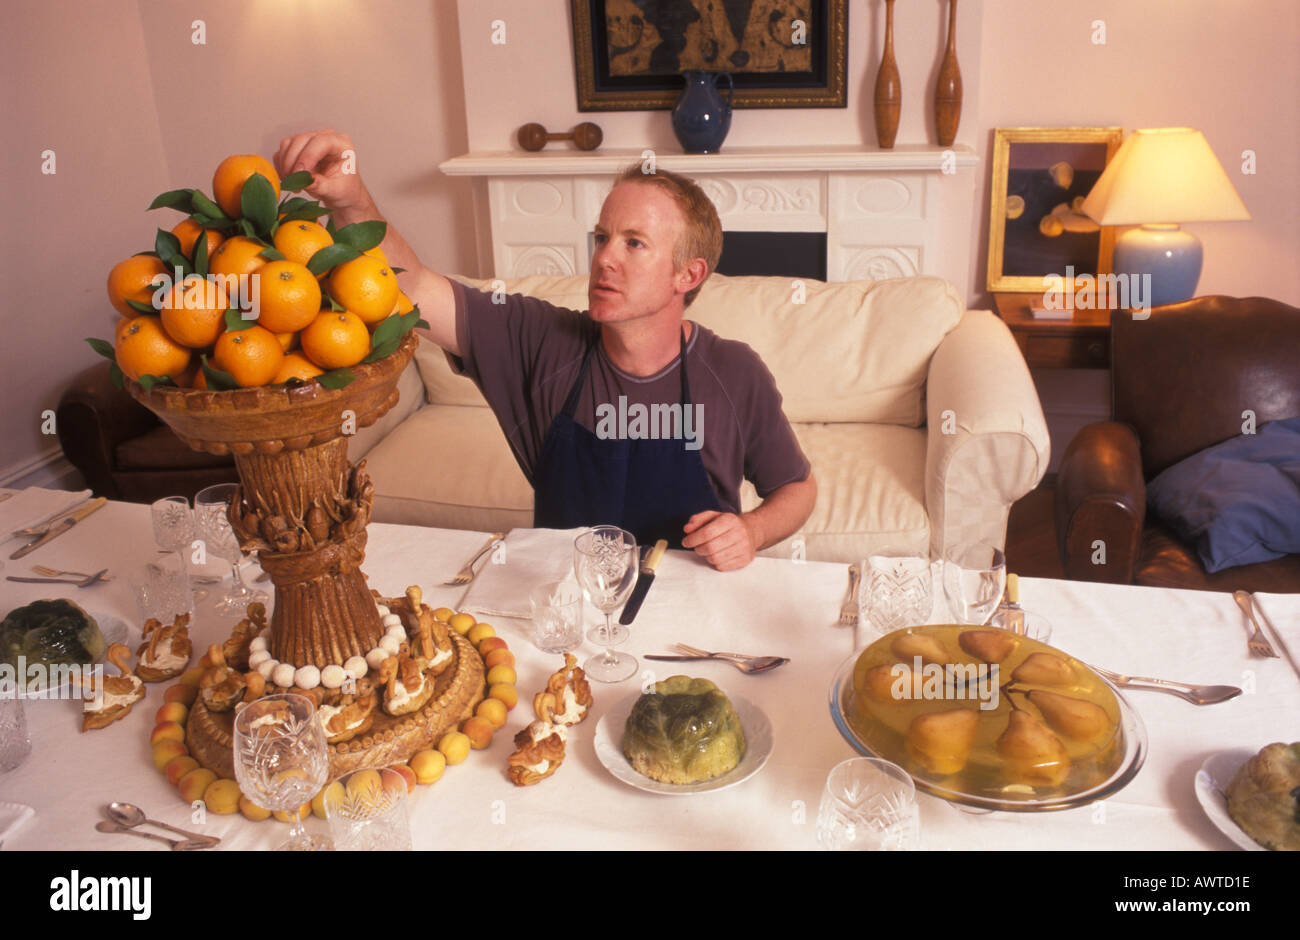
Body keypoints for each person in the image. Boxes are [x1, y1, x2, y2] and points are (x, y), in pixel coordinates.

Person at [275, 131, 816, 570]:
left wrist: (751, 530)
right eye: (602, 237)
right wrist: (351, 198)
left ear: (688, 274)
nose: (605, 258)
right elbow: (408, 287)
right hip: (568, 611)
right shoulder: (537, 339)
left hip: (693, 608)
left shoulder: (733, 371)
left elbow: (796, 486)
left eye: (634, 243)